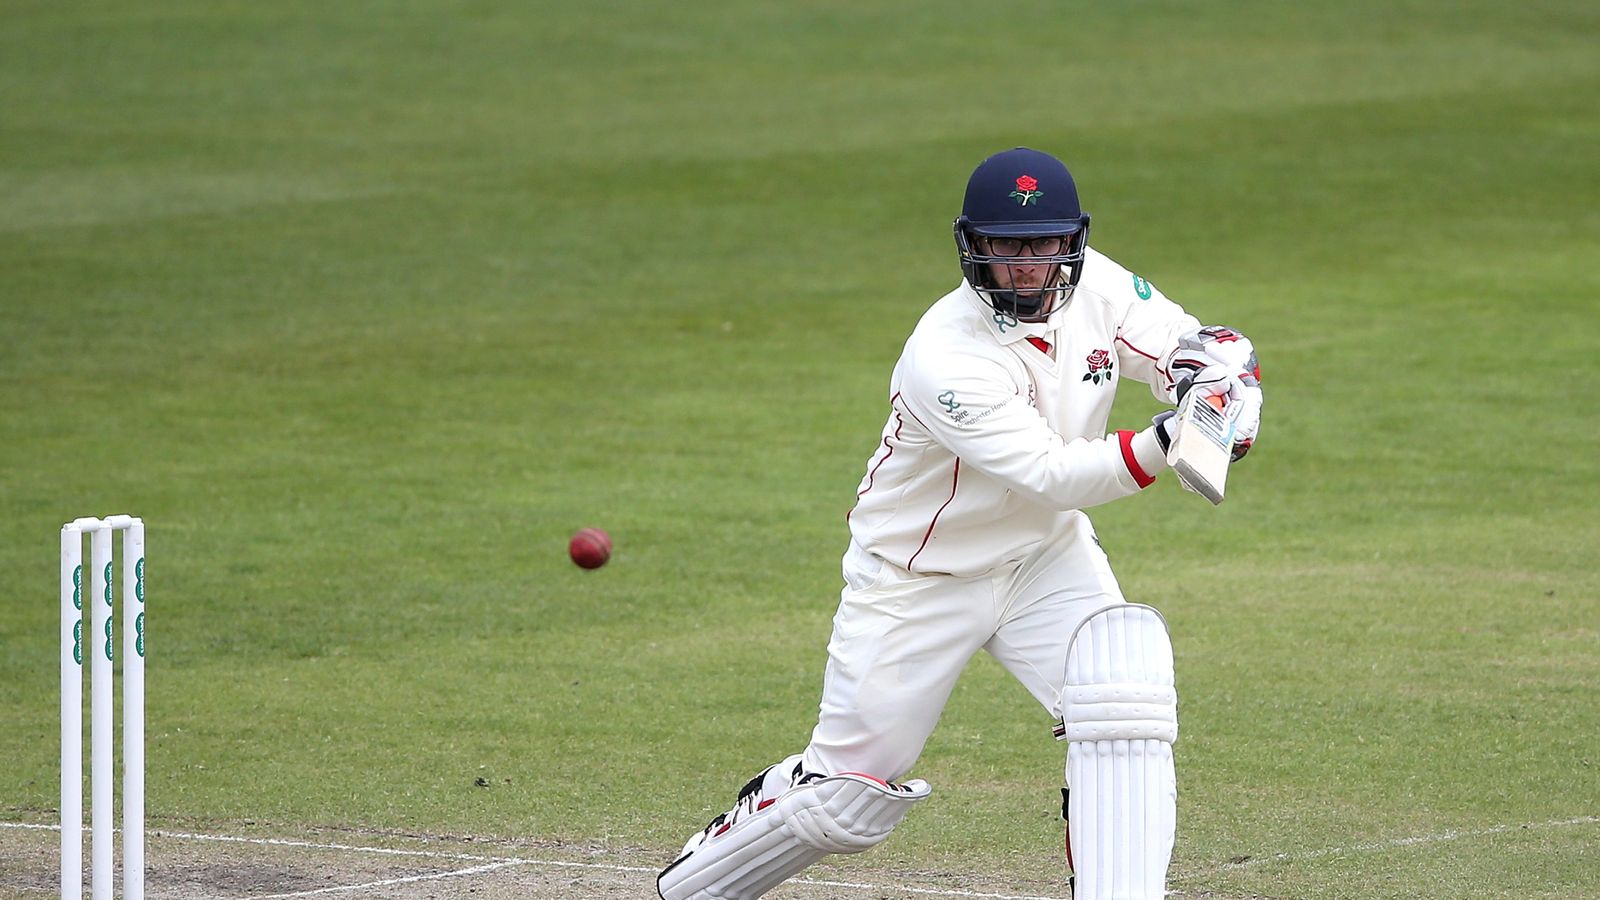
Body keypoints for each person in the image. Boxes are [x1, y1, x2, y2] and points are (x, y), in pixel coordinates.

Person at [658, 147, 1264, 900]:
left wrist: (1211, 376)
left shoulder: (1101, 286)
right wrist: (1176, 437)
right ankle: (700, 881)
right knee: (848, 795)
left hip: (1042, 556)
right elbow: (1053, 472)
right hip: (919, 576)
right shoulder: (945, 356)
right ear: (973, 247)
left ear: (1070, 241)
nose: (1027, 265)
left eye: (1043, 244)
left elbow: (1180, 342)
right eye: (1007, 247)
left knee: (1123, 694)